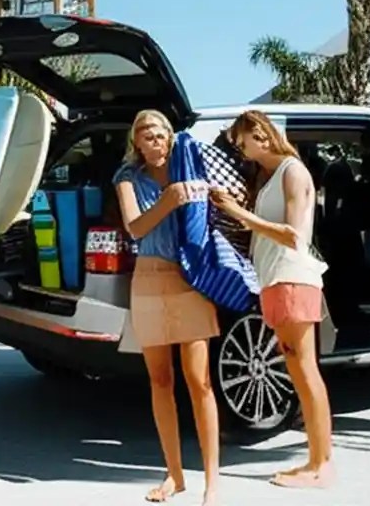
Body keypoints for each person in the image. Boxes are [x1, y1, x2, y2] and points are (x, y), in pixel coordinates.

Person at [210, 110, 335, 488]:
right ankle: (315, 461)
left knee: (305, 370)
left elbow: (293, 235)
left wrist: (237, 213)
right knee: (298, 370)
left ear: (261, 135)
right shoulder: (270, 178)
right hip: (276, 281)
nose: (240, 148)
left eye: (242, 140)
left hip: (293, 277)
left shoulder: (292, 171)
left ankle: (321, 464)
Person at [113, 109, 220, 506]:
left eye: (159, 135)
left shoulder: (189, 167)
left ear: (170, 137)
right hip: (149, 278)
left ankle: (212, 482)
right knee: (160, 381)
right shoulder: (128, 179)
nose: (154, 142)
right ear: (136, 142)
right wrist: (170, 200)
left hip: (189, 280)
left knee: (200, 381)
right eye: (146, 136)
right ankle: (174, 475)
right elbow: (136, 227)